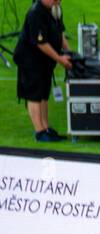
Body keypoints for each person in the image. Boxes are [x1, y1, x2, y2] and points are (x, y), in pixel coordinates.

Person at [14, 0, 72, 142]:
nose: (58, 1)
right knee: (34, 94)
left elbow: (60, 33)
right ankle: (39, 132)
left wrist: (70, 53)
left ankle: (46, 128)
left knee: (43, 94)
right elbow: (42, 43)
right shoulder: (36, 13)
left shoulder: (55, 8)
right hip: (30, 60)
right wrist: (59, 59)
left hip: (44, 61)